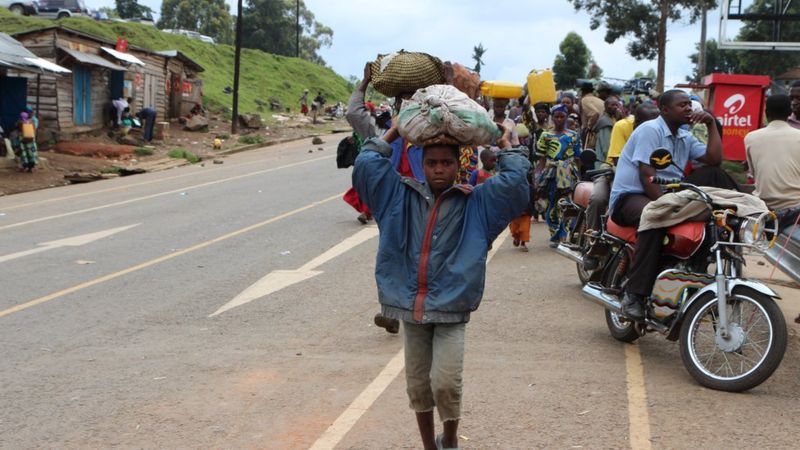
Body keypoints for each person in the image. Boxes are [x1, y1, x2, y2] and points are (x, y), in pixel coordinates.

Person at [353, 121, 530, 450]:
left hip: (452, 308)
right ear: (421, 162)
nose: (438, 169)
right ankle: (428, 446)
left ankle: (449, 440)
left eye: (446, 163)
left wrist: (508, 143)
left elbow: (515, 183)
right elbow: (367, 167)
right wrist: (395, 129)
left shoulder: (476, 204)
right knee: (419, 387)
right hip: (411, 308)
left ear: (458, 164)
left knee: (446, 384)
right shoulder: (398, 198)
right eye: (431, 162)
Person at [608, 90, 722, 320]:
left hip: (669, 196)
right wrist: (667, 206)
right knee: (656, 218)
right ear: (665, 109)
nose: (689, 109)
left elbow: (714, 159)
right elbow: (646, 176)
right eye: (682, 105)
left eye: (690, 105)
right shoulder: (650, 130)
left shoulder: (684, 136)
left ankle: (692, 278)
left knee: (709, 218)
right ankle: (634, 295)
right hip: (631, 197)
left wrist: (712, 124)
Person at [745, 94, 800, 227]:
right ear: (790, 112)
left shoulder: (750, 138)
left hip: (763, 206)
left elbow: (754, 173)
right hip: (796, 207)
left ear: (766, 113)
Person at [536, 104, 582, 247]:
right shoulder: (545, 135)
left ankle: (563, 236)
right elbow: (541, 159)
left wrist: (578, 176)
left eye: (562, 116)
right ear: (553, 118)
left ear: (567, 117)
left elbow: (577, 157)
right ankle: (554, 234)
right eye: (557, 117)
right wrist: (537, 178)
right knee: (551, 205)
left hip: (568, 173)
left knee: (567, 204)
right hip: (551, 174)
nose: (559, 119)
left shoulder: (573, 136)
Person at [592, 96, 621, 166]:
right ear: (606, 106)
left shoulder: (612, 118)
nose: (615, 107)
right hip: (605, 161)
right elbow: (606, 147)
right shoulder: (605, 122)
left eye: (617, 105)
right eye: (612, 105)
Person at [579, 82, 606, 150]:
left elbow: (594, 113)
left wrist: (589, 127)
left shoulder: (584, 100)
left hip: (593, 133)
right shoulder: (600, 100)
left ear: (582, 91)